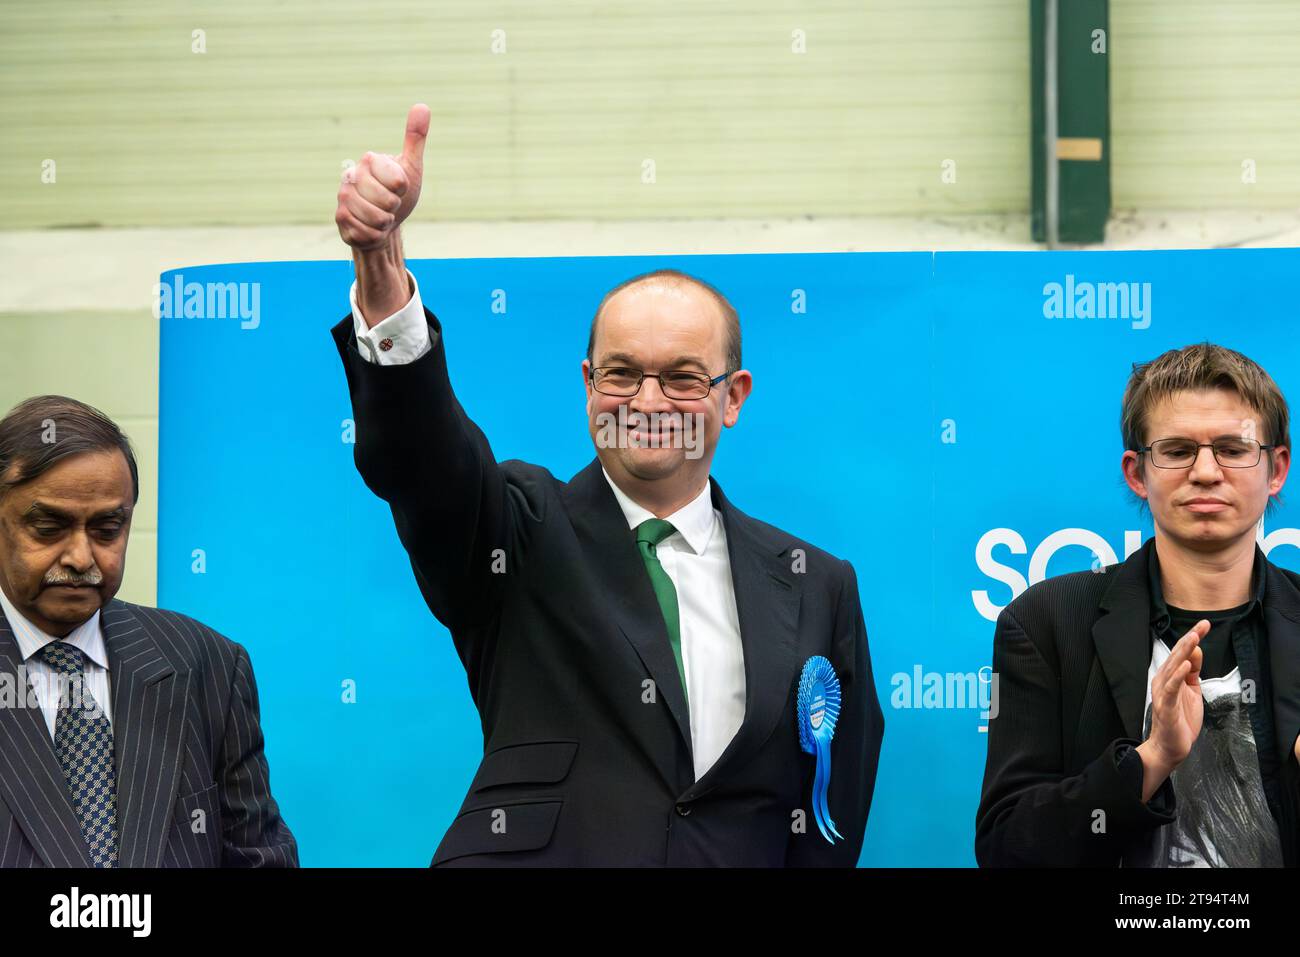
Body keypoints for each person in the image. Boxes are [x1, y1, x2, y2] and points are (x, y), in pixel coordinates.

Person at [331, 104, 884, 866]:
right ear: (589, 384)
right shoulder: (519, 528)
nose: (648, 402)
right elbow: (425, 462)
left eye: (683, 378)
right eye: (622, 373)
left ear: (734, 396)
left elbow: (834, 812)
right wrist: (384, 276)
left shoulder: (817, 583)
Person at [976, 343, 1300, 867]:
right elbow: (1007, 846)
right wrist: (1151, 760)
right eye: (1176, 451)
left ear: (1276, 468)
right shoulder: (1046, 621)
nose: (1205, 472)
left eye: (1233, 449)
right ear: (1136, 473)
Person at [0, 395, 297, 867]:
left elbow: (260, 857)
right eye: (49, 527)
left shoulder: (210, 665)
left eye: (106, 529)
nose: (81, 558)